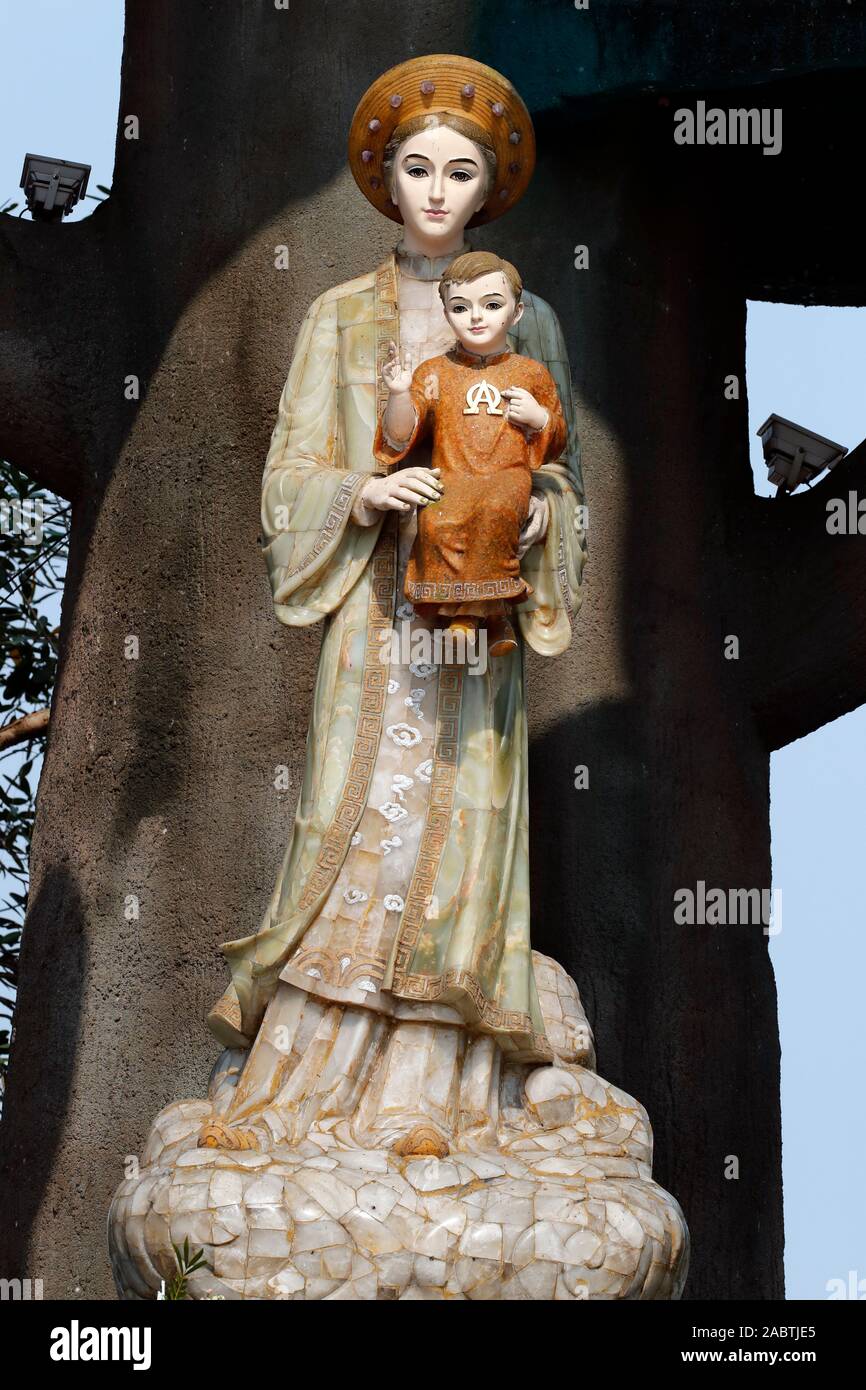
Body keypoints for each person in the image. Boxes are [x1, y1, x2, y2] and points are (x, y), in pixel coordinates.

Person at [200, 54, 589, 1155]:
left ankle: (439, 1095)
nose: (433, 190)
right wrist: (362, 490)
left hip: (483, 618)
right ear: (385, 180)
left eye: (457, 172)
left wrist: (537, 517)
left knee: (460, 827)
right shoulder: (338, 318)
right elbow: (288, 477)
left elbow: (564, 482)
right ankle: (298, 1086)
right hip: (377, 619)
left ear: (486, 190)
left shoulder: (529, 320)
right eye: (415, 167)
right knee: (354, 817)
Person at [376, 250, 568, 657]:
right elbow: (400, 435)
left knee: (497, 509)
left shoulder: (531, 373)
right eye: (461, 307)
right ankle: (490, 620)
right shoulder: (434, 372)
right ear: (446, 313)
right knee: (439, 517)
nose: (476, 317)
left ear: (516, 313)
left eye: (492, 305)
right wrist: (397, 392)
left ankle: (467, 620)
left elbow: (558, 437)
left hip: (507, 476)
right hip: (453, 474)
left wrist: (537, 419)